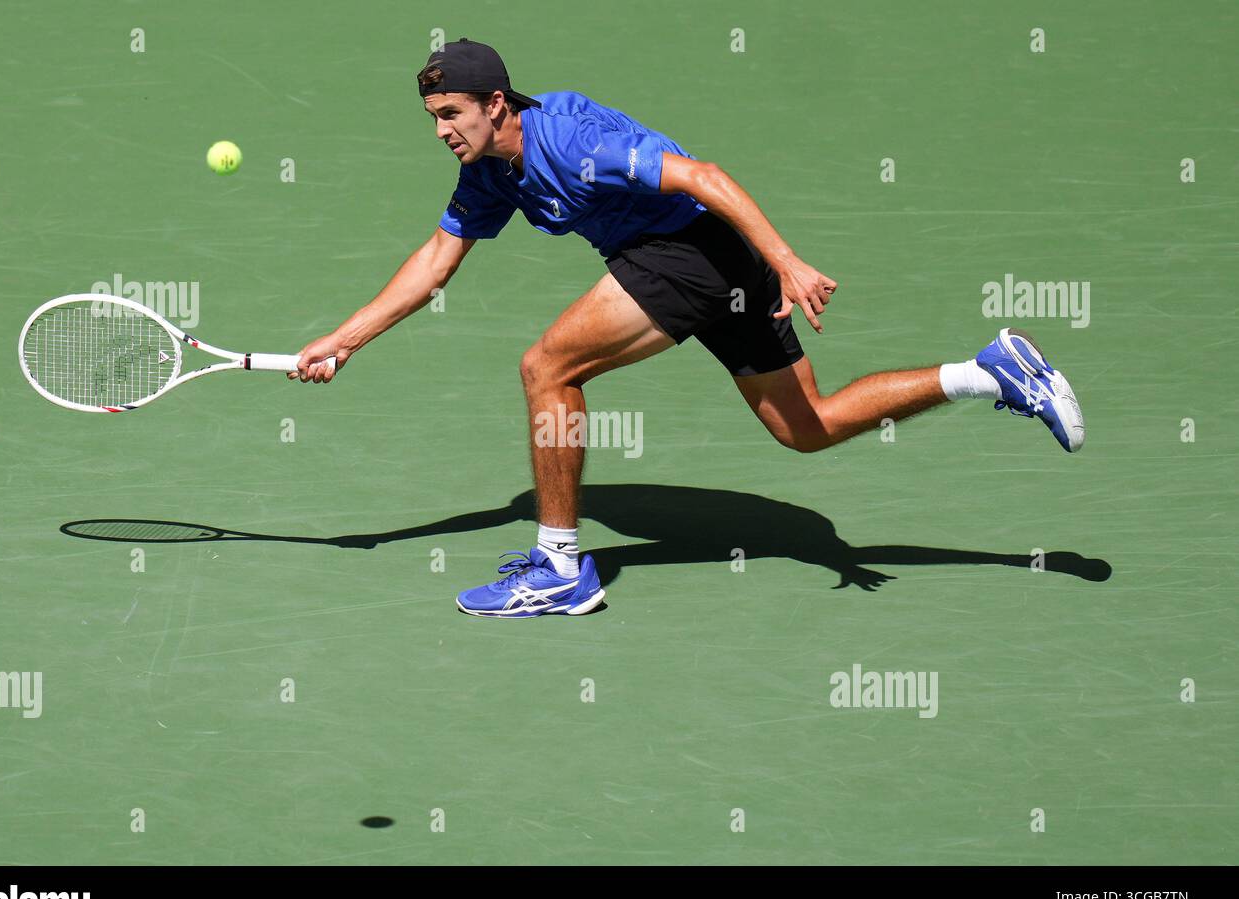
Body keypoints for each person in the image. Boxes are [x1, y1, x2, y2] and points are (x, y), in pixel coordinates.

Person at [292, 38, 1085, 618]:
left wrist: (788, 262)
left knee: (548, 369)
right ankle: (990, 371)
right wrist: (343, 339)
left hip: (689, 251)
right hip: (711, 262)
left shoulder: (571, 143)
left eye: (450, 114)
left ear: (496, 104)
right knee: (808, 426)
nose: (440, 130)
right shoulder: (491, 170)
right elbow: (436, 259)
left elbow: (703, 175)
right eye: (433, 117)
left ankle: (560, 567)